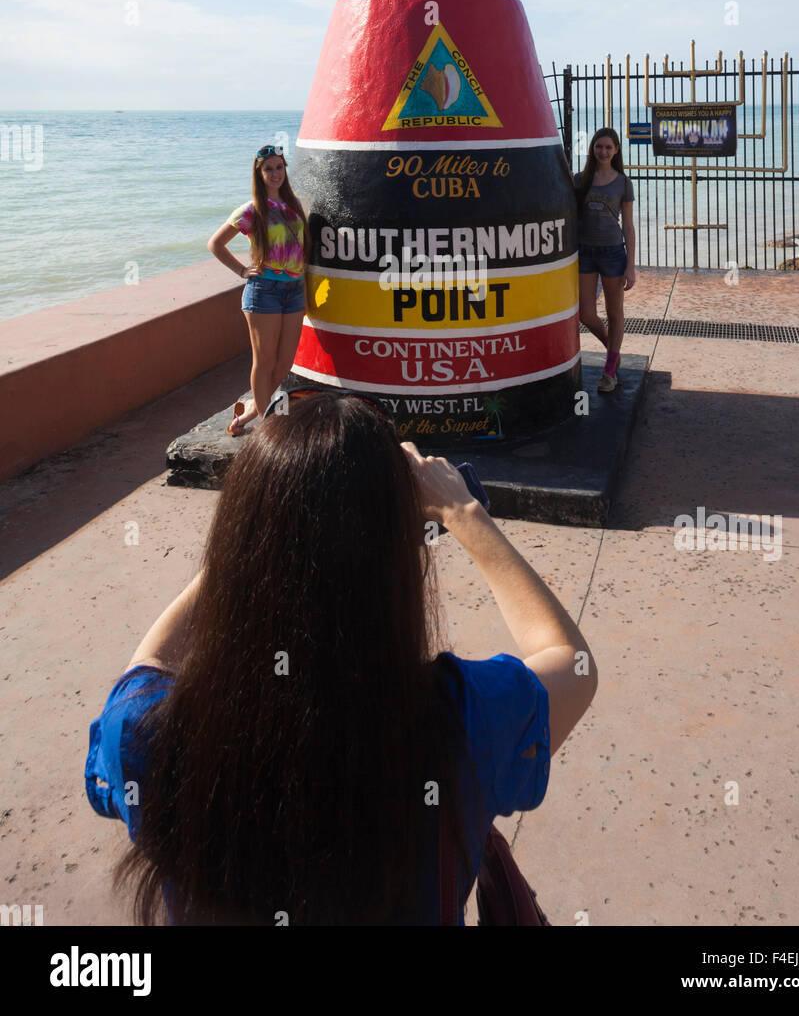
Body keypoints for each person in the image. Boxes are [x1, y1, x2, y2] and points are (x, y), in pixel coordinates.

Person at [84, 391, 598, 925]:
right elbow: (570, 661)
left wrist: (264, 530)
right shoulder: (465, 723)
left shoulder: (145, 734)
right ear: (398, 561)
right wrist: (463, 512)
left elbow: (151, 664)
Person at [207, 145, 309, 436]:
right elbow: (215, 244)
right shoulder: (251, 210)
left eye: (279, 167)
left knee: (284, 363)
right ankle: (269, 428)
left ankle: (247, 414)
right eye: (268, 169)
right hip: (264, 290)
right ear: (258, 173)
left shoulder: (295, 205)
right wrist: (241, 270)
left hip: (294, 290)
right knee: (264, 362)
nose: (275, 173)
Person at [573, 127, 636, 393]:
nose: (603, 151)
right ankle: (614, 350)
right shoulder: (580, 180)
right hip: (585, 252)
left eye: (609, 147)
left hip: (613, 254)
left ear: (616, 150)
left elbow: (629, 226)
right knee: (586, 314)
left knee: (614, 312)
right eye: (599, 146)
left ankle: (610, 370)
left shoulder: (623, 182)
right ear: (592, 149)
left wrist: (631, 266)